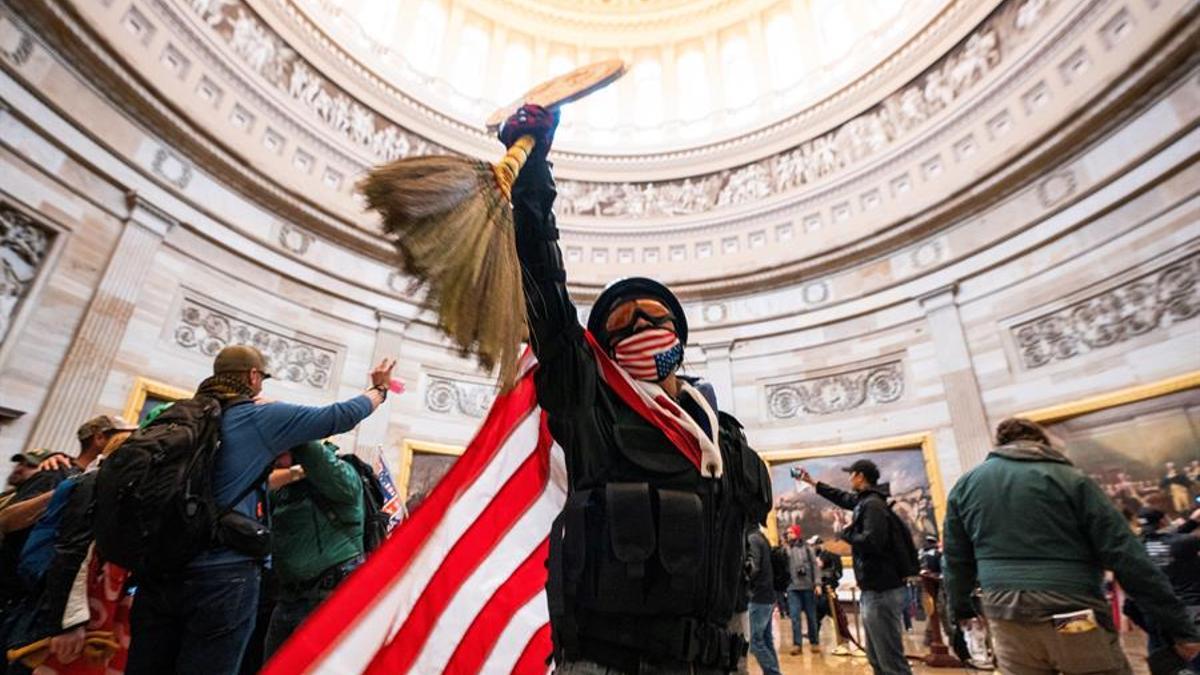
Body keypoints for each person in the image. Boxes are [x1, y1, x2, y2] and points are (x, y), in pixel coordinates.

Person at [500, 104, 771, 674]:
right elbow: (545, 301)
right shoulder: (591, 410)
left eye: (654, 318)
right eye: (621, 326)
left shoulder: (719, 434)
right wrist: (532, 178)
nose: (641, 329)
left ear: (680, 335)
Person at [124, 345, 396, 675]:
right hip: (222, 576)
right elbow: (341, 415)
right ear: (253, 377)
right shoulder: (256, 417)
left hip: (160, 570)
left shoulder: (181, 416)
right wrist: (379, 390)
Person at [942, 417, 1200, 674]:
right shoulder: (1070, 479)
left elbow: (955, 560)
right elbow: (1126, 556)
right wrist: (1179, 628)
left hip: (1004, 612)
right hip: (1070, 609)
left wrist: (961, 612)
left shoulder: (965, 486)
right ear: (1042, 443)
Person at [7, 430, 134, 674]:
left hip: (71, 616)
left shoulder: (98, 486)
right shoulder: (90, 485)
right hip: (51, 615)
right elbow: (72, 549)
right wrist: (67, 621)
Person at [797, 460, 912, 675]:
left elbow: (872, 542)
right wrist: (813, 483)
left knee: (890, 660)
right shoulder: (867, 502)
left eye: (852, 475)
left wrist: (845, 532)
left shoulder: (873, 505)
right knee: (877, 657)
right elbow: (842, 498)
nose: (849, 479)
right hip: (875, 589)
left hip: (882, 590)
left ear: (860, 476)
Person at [263, 440, 365, 657]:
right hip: (290, 598)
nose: (276, 461)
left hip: (329, 596)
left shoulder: (342, 478)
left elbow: (318, 461)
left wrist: (295, 428)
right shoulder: (284, 489)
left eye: (281, 453)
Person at [1135, 507, 1200, 665]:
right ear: (1164, 520)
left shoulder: (1138, 546)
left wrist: (1191, 522)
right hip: (1191, 605)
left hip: (1156, 609)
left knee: (1162, 653)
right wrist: (1192, 522)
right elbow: (1176, 540)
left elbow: (1167, 542)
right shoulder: (1184, 542)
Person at [745, 527, 782, 675]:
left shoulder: (753, 539)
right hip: (767, 595)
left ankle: (773, 672)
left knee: (755, 642)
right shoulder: (761, 537)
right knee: (766, 640)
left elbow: (753, 569)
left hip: (758, 596)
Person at [785, 525, 820, 654]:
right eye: (787, 533)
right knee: (794, 617)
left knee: (811, 616)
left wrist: (817, 584)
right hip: (792, 588)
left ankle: (814, 642)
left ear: (797, 533)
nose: (788, 535)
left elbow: (815, 566)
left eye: (791, 533)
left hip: (808, 587)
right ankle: (797, 644)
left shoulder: (807, 548)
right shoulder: (786, 549)